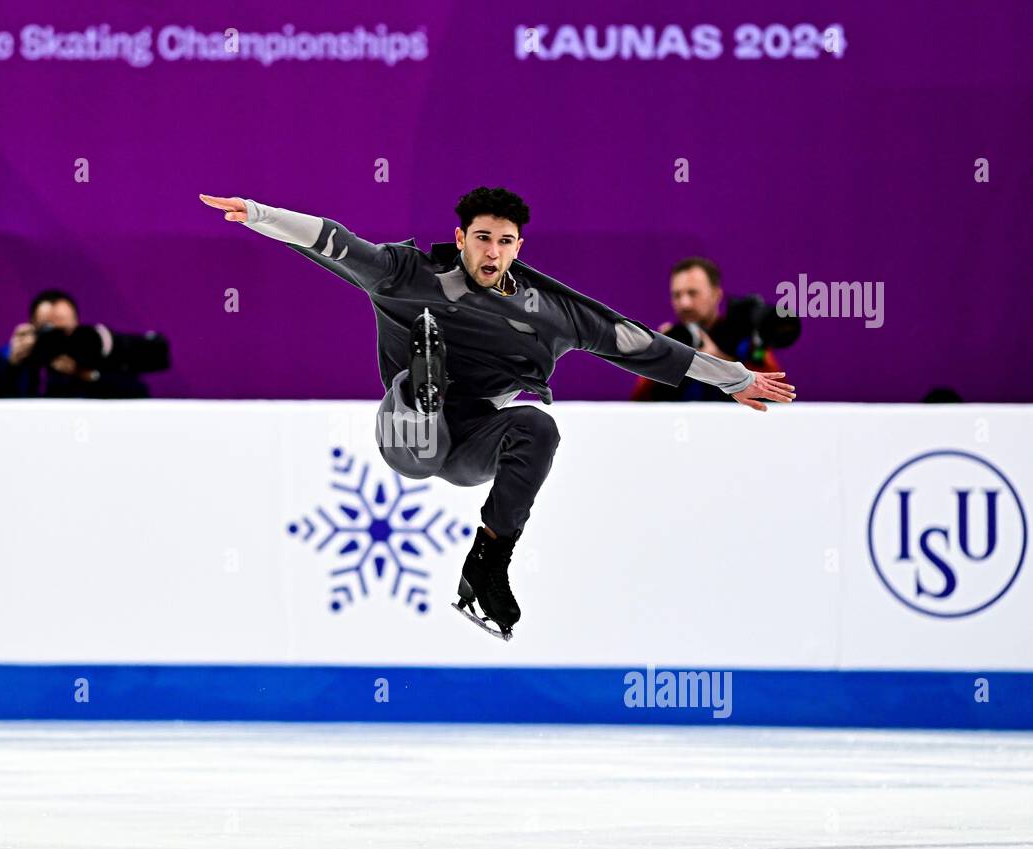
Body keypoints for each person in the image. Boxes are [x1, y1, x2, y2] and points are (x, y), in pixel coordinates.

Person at [200, 188, 794, 638]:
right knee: (423, 376)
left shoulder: (549, 310)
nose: (493, 251)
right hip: (407, 430)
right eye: (482, 238)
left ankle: (489, 561)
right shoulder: (410, 274)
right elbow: (333, 241)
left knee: (538, 425)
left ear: (519, 247)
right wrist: (256, 213)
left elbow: (642, 344)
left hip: (469, 446)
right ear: (460, 237)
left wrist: (735, 380)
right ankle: (424, 382)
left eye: (505, 241)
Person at [632, 257, 793, 402]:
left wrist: (720, 362)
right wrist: (657, 356)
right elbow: (639, 402)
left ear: (716, 294)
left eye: (693, 293)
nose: (684, 303)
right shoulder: (672, 339)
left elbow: (778, 393)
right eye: (677, 295)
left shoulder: (744, 339)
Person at [0, 289, 169, 398]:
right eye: (48, 330)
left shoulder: (91, 349)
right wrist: (12, 365)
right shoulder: (19, 354)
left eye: (64, 331)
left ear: (77, 324)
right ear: (32, 326)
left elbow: (138, 392)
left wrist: (85, 374)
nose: (57, 338)